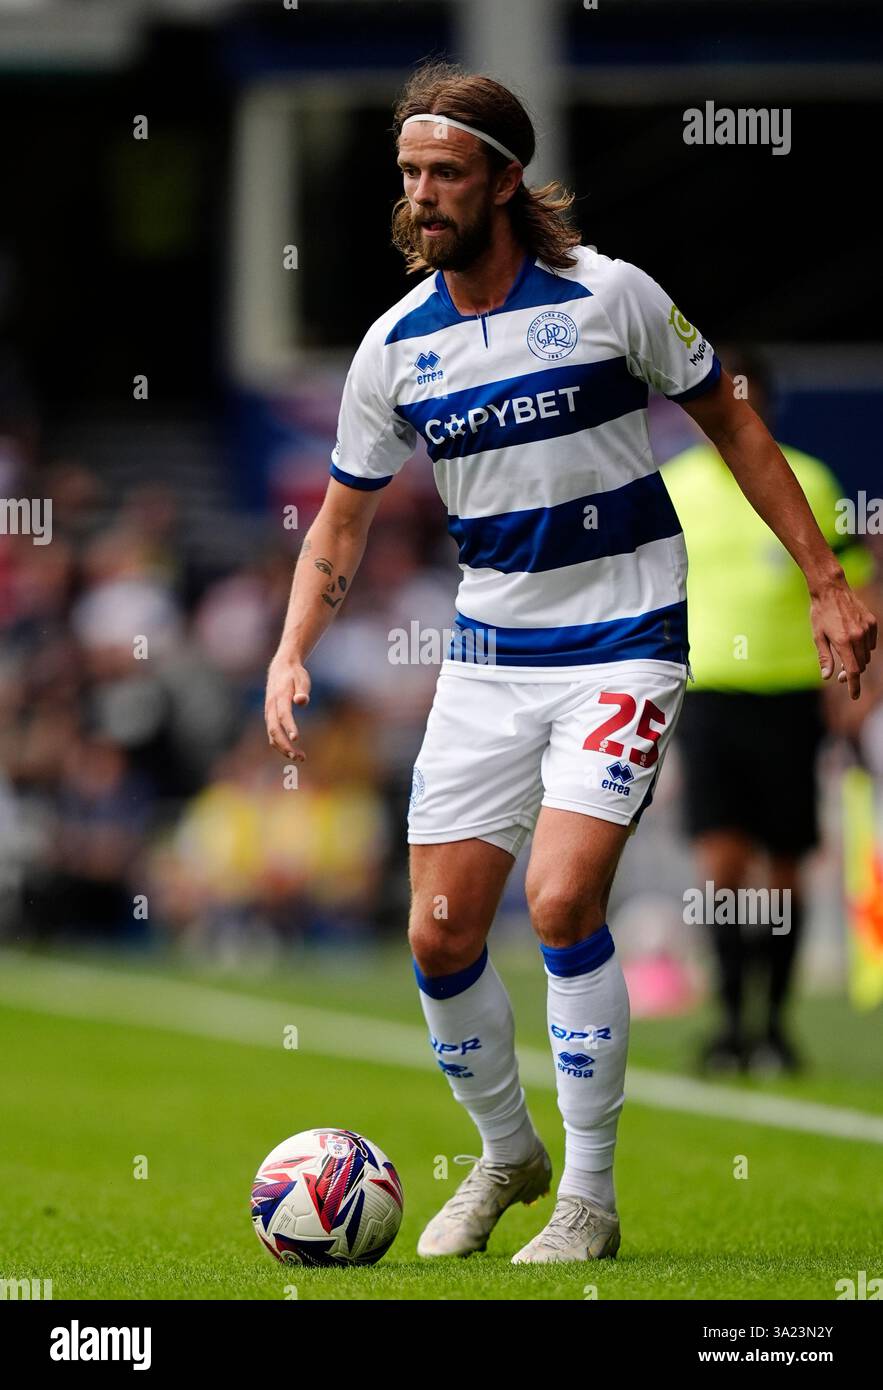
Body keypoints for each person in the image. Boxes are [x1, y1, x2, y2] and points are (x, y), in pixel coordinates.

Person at [265, 62, 876, 1264]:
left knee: (559, 899)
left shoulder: (610, 297)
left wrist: (824, 578)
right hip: (489, 657)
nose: (421, 195)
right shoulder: (395, 348)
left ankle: (588, 1198)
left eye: (444, 173)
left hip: (626, 641)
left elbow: (735, 421)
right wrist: (292, 648)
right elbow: (339, 521)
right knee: (439, 935)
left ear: (499, 178)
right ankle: (508, 1153)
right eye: (408, 175)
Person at [664, 351, 875, 1076]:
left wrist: (860, 692)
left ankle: (776, 1027)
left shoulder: (807, 481)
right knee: (721, 863)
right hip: (709, 697)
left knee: (786, 868)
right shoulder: (672, 488)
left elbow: (856, 587)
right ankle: (727, 1024)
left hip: (790, 695)